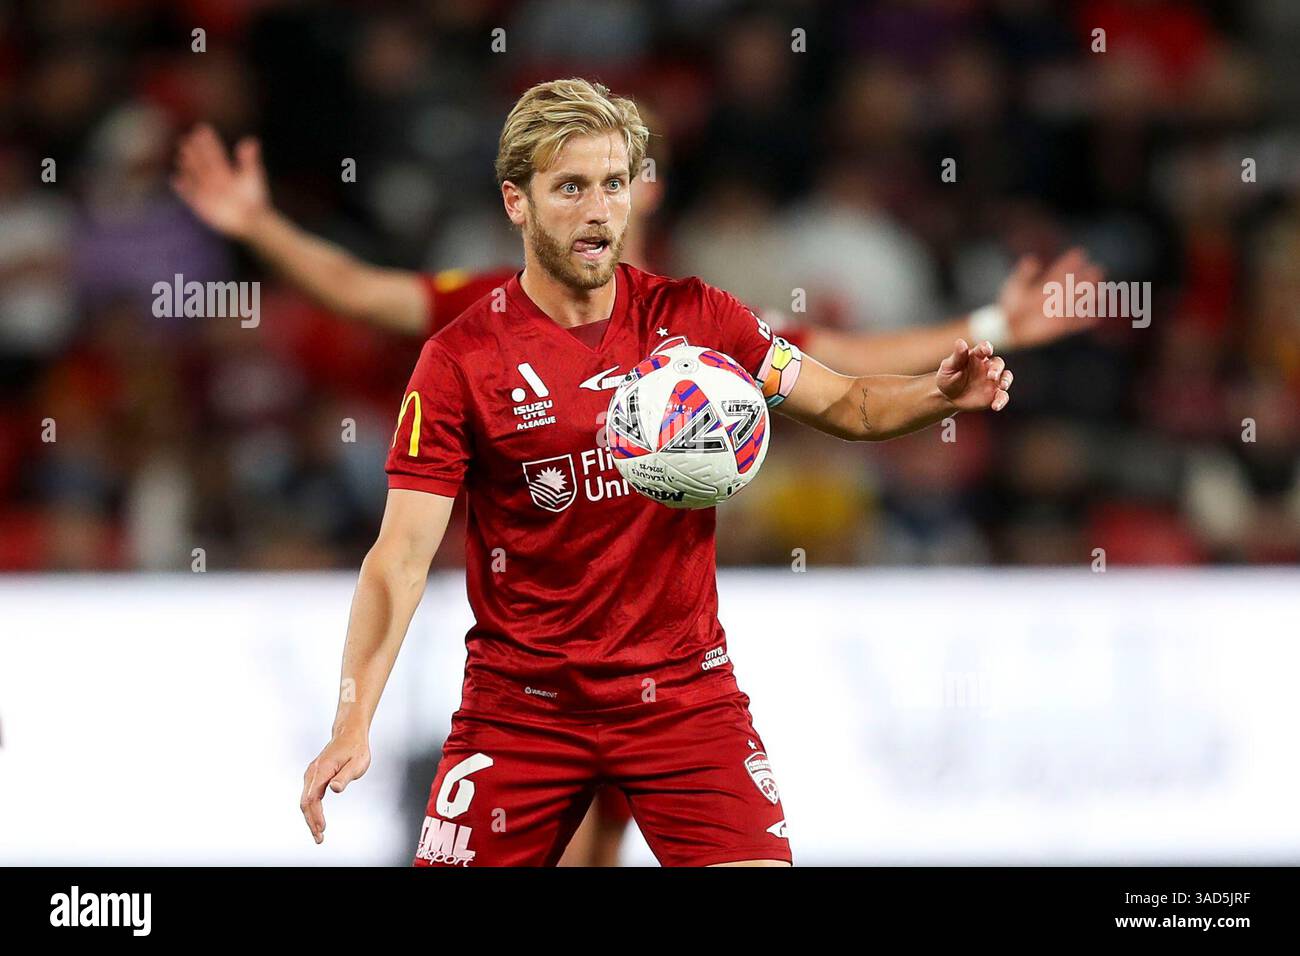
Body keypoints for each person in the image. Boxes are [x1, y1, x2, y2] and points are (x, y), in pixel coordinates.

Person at [292, 77, 1018, 867]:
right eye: (570, 187)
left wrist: (938, 394)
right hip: (522, 713)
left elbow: (848, 404)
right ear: (516, 202)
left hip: (684, 703)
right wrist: (352, 719)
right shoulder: (462, 360)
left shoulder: (698, 318)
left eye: (614, 183)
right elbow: (397, 559)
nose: (599, 208)